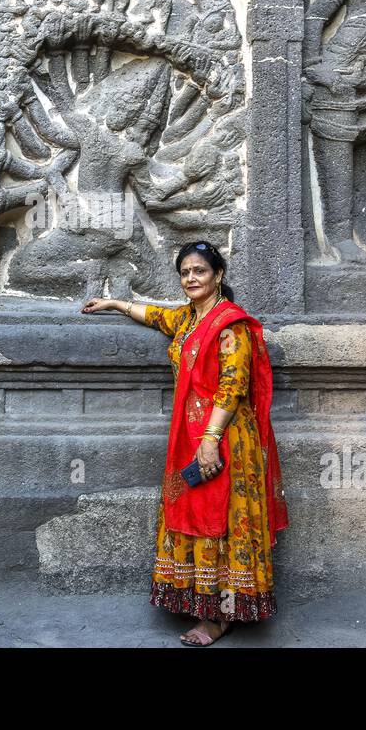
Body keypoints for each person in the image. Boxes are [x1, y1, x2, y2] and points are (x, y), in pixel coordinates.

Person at [81, 241, 288, 646]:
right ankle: (205, 608)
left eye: (200, 271)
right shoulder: (190, 321)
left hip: (224, 437)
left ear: (218, 276)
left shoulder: (230, 325)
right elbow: (157, 315)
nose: (191, 278)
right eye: (185, 272)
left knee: (220, 521)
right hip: (188, 437)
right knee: (194, 515)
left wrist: (211, 439)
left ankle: (218, 617)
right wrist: (114, 304)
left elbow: (233, 386)